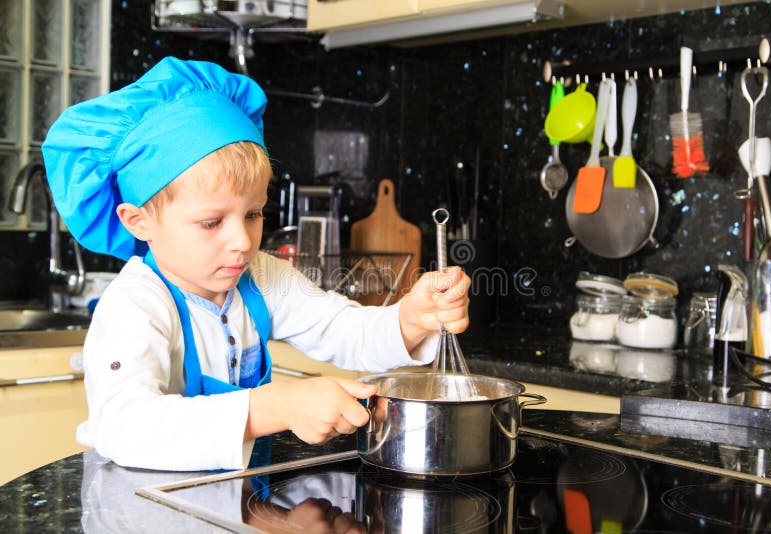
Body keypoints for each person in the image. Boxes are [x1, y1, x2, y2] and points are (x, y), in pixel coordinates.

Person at [42, 56, 470, 472]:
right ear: (139, 222)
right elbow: (125, 427)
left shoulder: (258, 276)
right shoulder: (135, 306)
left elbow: (341, 329)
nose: (243, 241)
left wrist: (413, 319)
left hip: (234, 499)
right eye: (211, 222)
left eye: (253, 214)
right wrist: (276, 407)